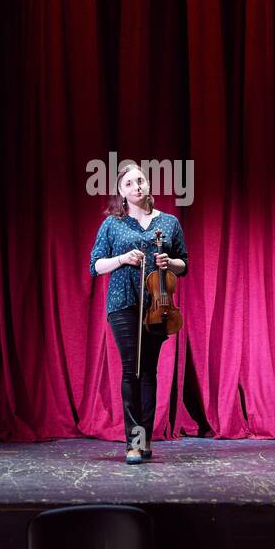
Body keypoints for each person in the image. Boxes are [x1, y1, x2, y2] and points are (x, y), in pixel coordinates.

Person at [88, 162, 189, 464]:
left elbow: (184, 264)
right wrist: (121, 258)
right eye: (129, 184)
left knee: (149, 372)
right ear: (121, 191)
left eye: (140, 181)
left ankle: (146, 440)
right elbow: (95, 265)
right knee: (131, 367)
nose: (137, 187)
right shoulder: (112, 225)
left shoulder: (169, 222)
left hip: (159, 305)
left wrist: (168, 262)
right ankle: (133, 443)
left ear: (148, 185)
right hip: (123, 303)